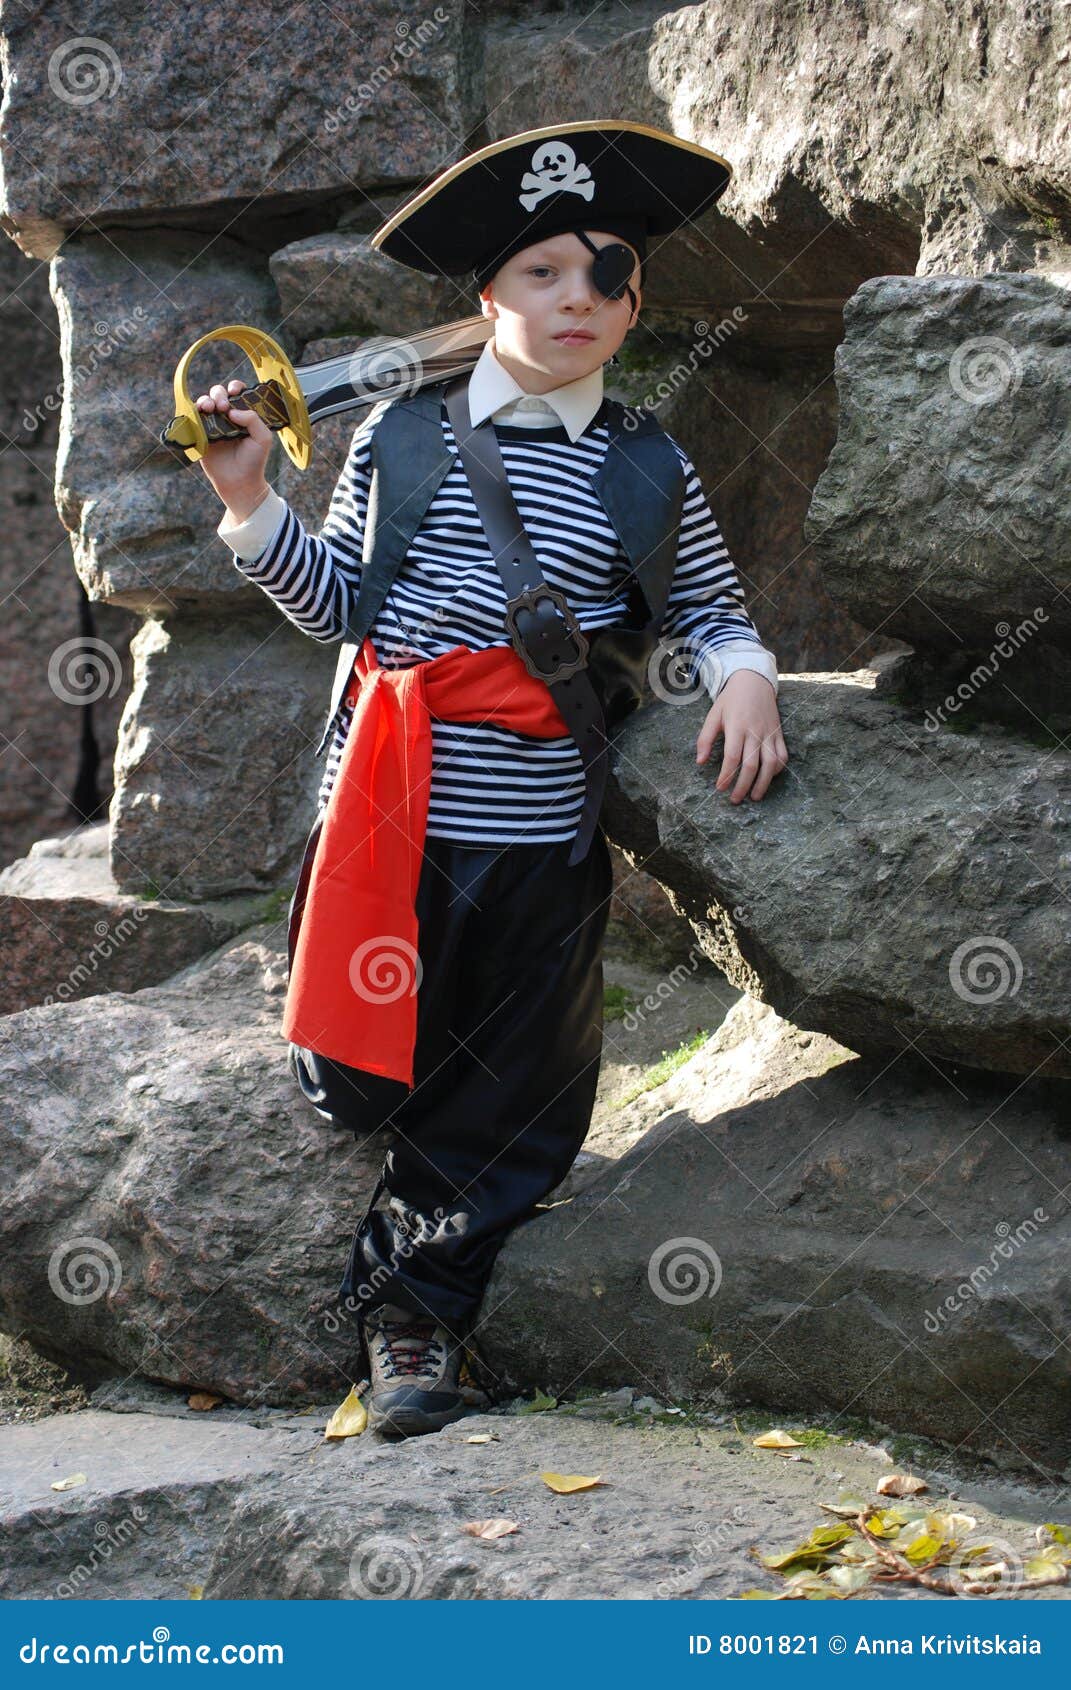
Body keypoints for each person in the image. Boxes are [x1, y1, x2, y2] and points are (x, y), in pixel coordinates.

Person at [194, 122, 788, 1439]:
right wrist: (251, 504)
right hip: (389, 826)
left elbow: (708, 603)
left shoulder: (647, 462)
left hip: (540, 836)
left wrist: (744, 673)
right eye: (540, 272)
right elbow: (341, 603)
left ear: (636, 306)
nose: (575, 298)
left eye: (606, 275)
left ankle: (413, 1322)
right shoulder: (402, 441)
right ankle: (394, 1212)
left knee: (515, 1088)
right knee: (358, 1073)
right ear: (486, 296)